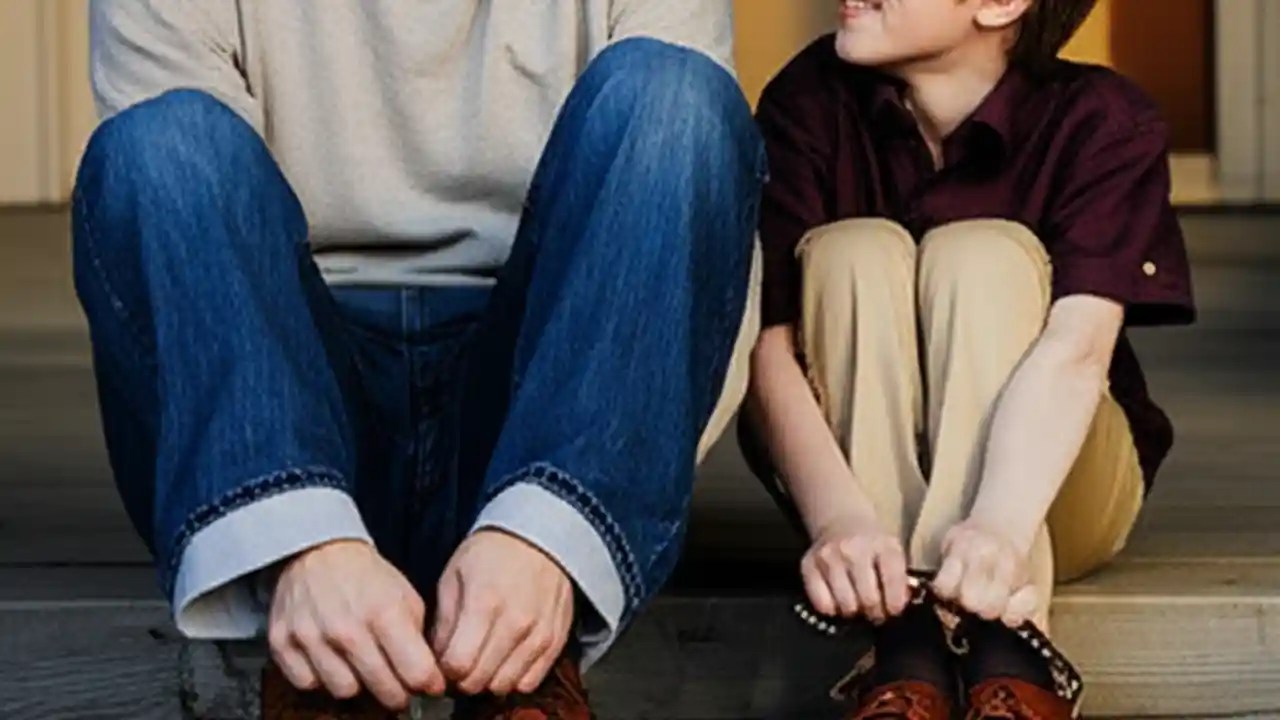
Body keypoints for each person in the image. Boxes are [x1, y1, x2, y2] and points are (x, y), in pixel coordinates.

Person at [74, 2, 764, 717]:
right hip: (284, 390)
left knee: (676, 101)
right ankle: (317, 624)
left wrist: (551, 533)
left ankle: (529, 624)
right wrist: (303, 545)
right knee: (160, 143)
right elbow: (171, 228)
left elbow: (686, 219)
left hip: (542, 390)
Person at [745, 0, 1195, 717]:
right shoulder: (808, 102)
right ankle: (910, 645)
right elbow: (767, 350)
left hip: (1048, 500)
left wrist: (1002, 530)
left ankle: (1002, 640)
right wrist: (835, 521)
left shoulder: (1102, 119)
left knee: (979, 254)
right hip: (858, 512)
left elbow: (1077, 353)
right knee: (850, 249)